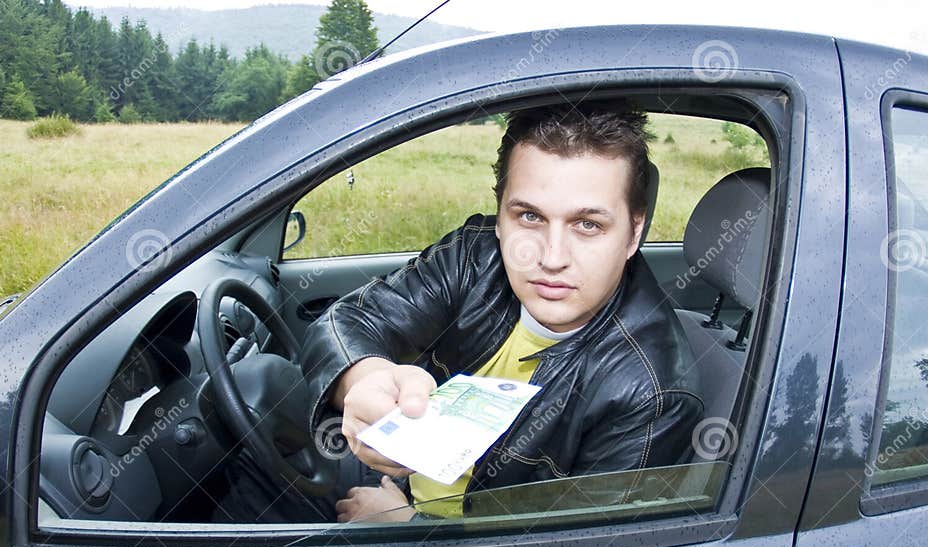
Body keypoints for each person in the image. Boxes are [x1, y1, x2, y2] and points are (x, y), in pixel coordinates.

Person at [299, 101, 704, 523]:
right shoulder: (473, 258)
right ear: (500, 217)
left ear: (634, 232)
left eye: (588, 225)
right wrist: (365, 380)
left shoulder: (653, 395)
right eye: (530, 216)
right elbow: (349, 319)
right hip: (397, 478)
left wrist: (403, 525)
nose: (551, 257)